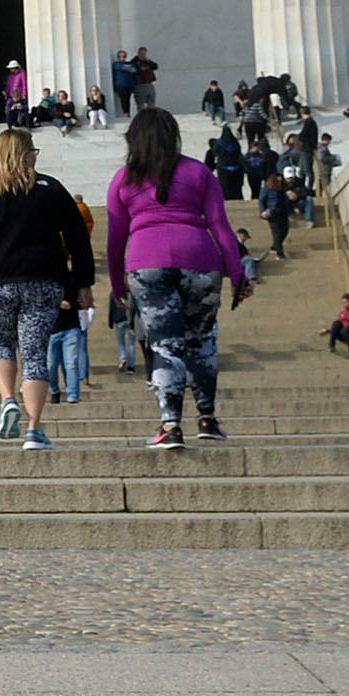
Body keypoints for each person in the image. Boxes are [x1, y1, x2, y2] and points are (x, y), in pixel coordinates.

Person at [106, 107, 251, 450]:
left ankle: (170, 425)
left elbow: (115, 239)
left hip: (147, 262)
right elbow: (221, 227)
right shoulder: (198, 172)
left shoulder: (124, 179)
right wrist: (238, 274)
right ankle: (208, 418)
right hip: (200, 259)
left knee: (165, 346)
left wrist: (116, 284)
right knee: (202, 340)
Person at [0, 127, 94, 453]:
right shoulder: (50, 188)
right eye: (33, 150)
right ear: (25, 154)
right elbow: (77, 237)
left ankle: (8, 398)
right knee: (35, 354)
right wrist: (83, 281)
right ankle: (34, 428)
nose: (36, 155)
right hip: (42, 279)